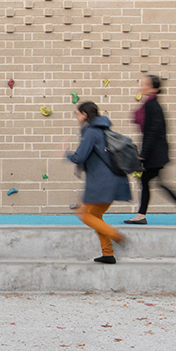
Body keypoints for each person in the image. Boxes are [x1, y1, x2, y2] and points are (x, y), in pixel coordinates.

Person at [63, 100, 130, 263]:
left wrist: (66, 152)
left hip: (103, 183)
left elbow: (80, 156)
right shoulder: (102, 129)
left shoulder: (91, 131)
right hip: (113, 180)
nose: (77, 117)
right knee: (95, 216)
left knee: (85, 215)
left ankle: (115, 235)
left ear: (84, 114)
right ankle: (108, 254)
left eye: (77, 114)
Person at [125, 74, 176, 226]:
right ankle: (143, 214)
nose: (141, 86)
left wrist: (143, 155)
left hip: (154, 154)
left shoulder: (152, 106)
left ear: (153, 88)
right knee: (150, 181)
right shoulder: (150, 104)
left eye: (145, 84)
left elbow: (152, 132)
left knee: (151, 181)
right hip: (155, 152)